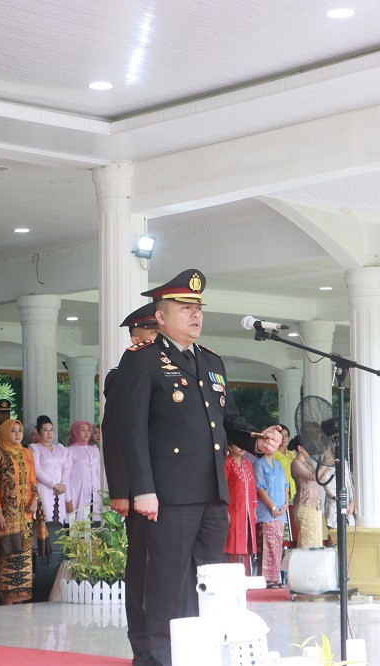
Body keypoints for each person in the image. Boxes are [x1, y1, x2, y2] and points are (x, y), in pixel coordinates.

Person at [103, 269, 281, 666]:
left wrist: (257, 439)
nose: (196, 315)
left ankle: (197, 653)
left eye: (198, 308)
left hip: (211, 492)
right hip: (167, 493)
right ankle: (158, 656)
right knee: (164, 580)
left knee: (206, 582)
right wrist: (139, 489)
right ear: (161, 316)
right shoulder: (143, 361)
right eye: (185, 308)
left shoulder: (212, 363)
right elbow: (129, 430)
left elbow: (229, 421)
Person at [102, 301, 159, 666]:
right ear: (137, 335)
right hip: (140, 490)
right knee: (142, 568)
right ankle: (143, 647)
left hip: (168, 486)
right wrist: (121, 490)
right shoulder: (123, 373)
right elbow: (116, 433)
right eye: (153, 332)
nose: (158, 338)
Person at [0, 419, 42, 604]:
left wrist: (35, 499)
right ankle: (8, 602)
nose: (18, 434)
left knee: (23, 559)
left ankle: (22, 601)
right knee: (7, 559)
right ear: (3, 433)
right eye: (13, 431)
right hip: (5, 519)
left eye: (19, 430)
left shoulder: (26, 453)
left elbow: (33, 481)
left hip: (25, 516)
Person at [254, 446, 289, 588]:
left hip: (280, 513)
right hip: (267, 512)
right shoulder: (258, 464)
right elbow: (259, 487)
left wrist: (286, 503)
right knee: (268, 544)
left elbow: (286, 485)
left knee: (277, 546)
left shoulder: (279, 465)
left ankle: (276, 579)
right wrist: (272, 506)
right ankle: (267, 579)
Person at [30, 415, 72, 526]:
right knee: (47, 520)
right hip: (45, 489)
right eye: (45, 430)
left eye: (51, 430)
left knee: (59, 520)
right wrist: (53, 484)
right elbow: (36, 469)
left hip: (60, 490)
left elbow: (66, 468)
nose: (49, 433)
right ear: (39, 433)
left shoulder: (60, 448)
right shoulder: (35, 448)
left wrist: (62, 485)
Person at [223, 444, 258, 577]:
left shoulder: (248, 464)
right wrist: (225, 510)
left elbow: (253, 488)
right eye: (237, 444)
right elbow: (223, 489)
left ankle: (244, 577)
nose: (242, 447)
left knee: (246, 545)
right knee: (233, 544)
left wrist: (254, 509)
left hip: (248, 512)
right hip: (234, 510)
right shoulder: (226, 463)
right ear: (230, 447)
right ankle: (231, 577)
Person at [290, 438, 330, 548]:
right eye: (307, 446)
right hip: (304, 505)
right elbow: (312, 476)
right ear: (299, 448)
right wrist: (324, 463)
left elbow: (319, 480)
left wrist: (326, 466)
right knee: (306, 542)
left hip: (315, 507)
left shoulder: (308, 463)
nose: (310, 449)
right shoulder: (295, 463)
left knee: (316, 542)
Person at [66, 420, 103, 524]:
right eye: (82, 430)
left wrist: (101, 494)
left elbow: (99, 473)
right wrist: (68, 499)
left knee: (95, 526)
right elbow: (66, 477)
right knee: (79, 527)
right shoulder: (70, 451)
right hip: (78, 494)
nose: (86, 433)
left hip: (95, 493)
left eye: (88, 430)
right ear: (76, 432)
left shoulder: (94, 449)